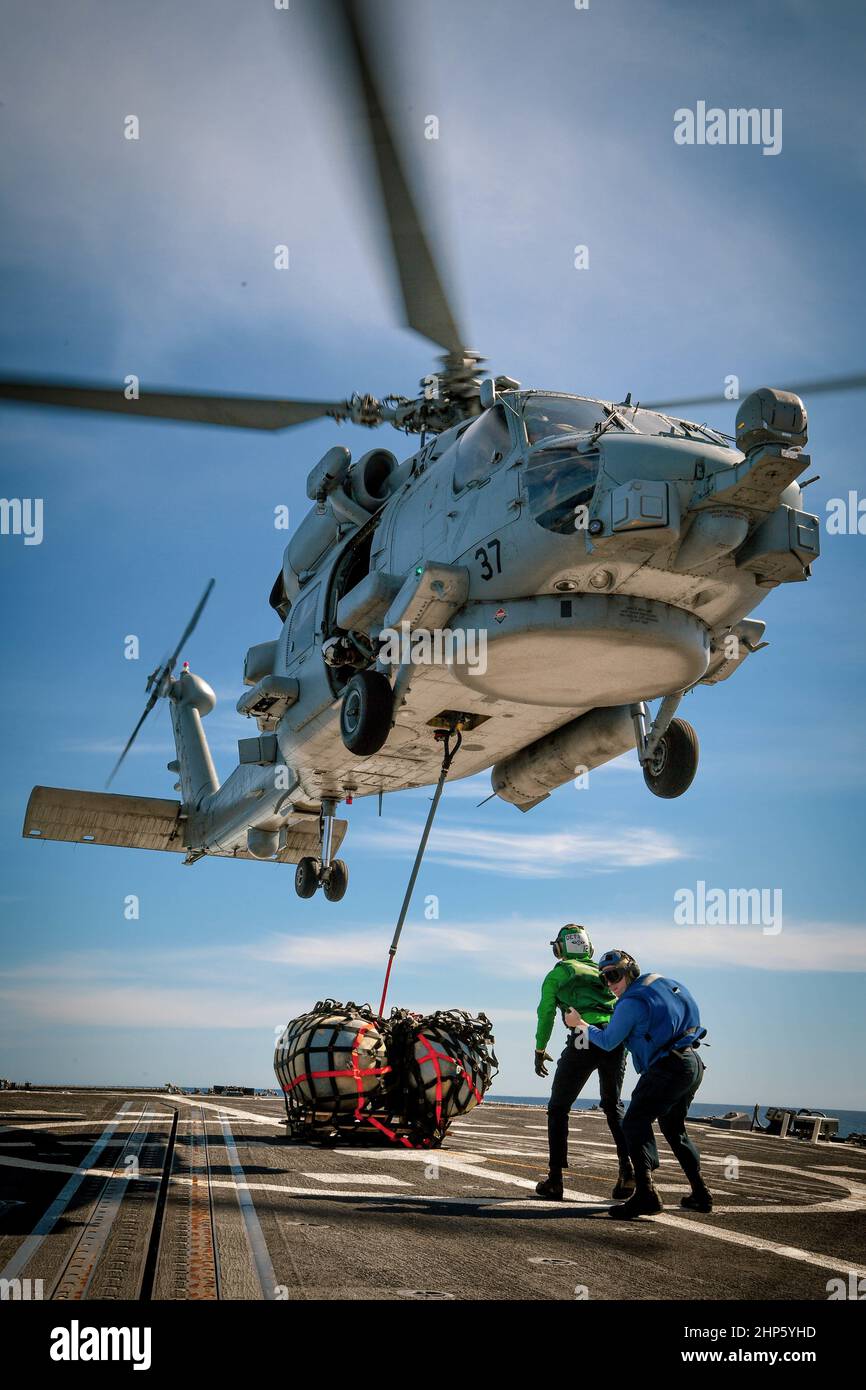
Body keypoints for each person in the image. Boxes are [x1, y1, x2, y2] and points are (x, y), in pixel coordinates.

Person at [566, 948, 712, 1220]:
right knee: (674, 1129)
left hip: (667, 1067)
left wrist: (580, 1024)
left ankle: (646, 1193)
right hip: (692, 1063)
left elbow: (609, 1041)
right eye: (604, 979)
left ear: (629, 972)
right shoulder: (662, 985)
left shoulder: (631, 1002)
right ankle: (701, 1193)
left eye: (614, 976)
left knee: (633, 1123)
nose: (610, 984)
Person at [534, 925, 634, 1201]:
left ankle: (555, 1180)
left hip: (583, 1038)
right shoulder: (602, 975)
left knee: (558, 1108)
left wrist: (540, 1048)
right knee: (613, 1107)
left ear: (559, 949)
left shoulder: (559, 973)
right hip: (613, 1039)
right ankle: (629, 1170)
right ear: (589, 949)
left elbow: (546, 1013)